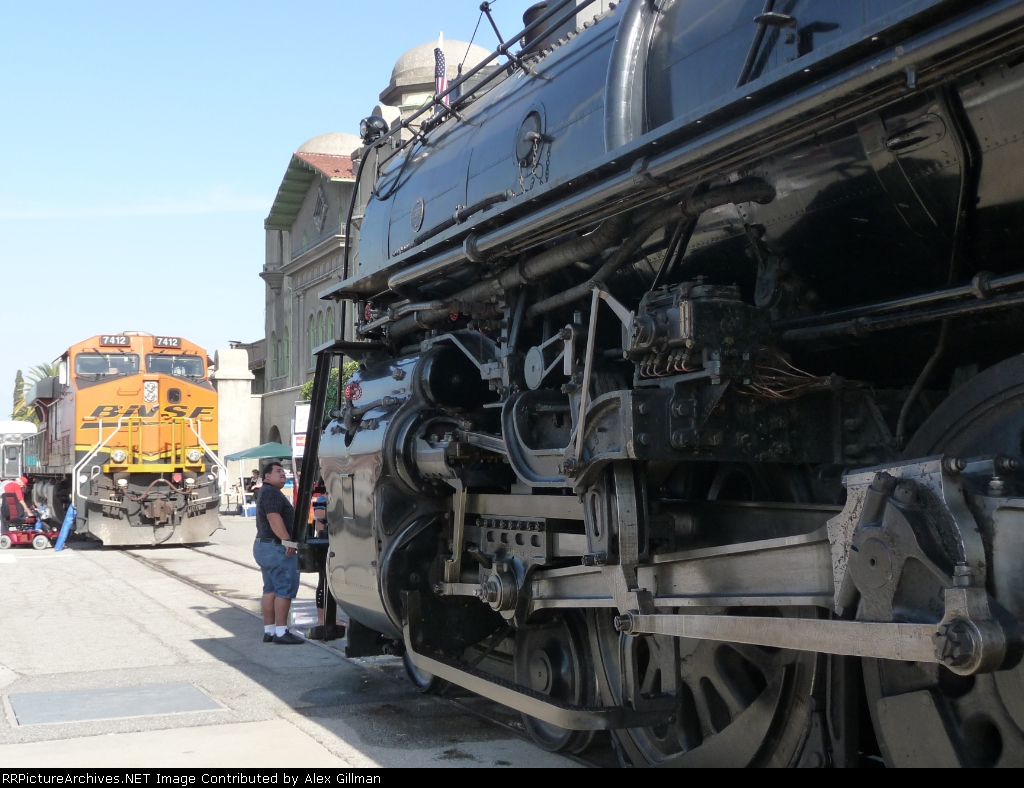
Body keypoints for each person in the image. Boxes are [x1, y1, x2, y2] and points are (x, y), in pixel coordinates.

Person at [253, 461, 303, 645]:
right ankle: (282, 632)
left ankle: (270, 630)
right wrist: (287, 540)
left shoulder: (266, 492)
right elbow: (274, 518)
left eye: (284, 471)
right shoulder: (272, 493)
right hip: (275, 546)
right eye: (278, 471)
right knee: (285, 587)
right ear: (267, 476)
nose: (283, 474)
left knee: (270, 588)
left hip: (263, 545)